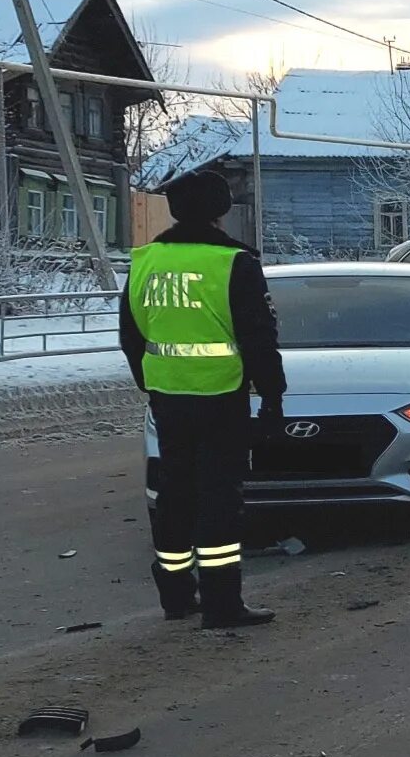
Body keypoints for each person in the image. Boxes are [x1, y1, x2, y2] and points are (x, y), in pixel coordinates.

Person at [121, 169, 288, 630]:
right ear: (221, 210)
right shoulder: (234, 262)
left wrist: (151, 382)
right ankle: (222, 603)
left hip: (167, 397)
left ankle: (175, 595)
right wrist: (272, 397)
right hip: (220, 397)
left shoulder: (145, 261)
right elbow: (259, 337)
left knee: (174, 494)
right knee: (219, 498)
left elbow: (130, 334)